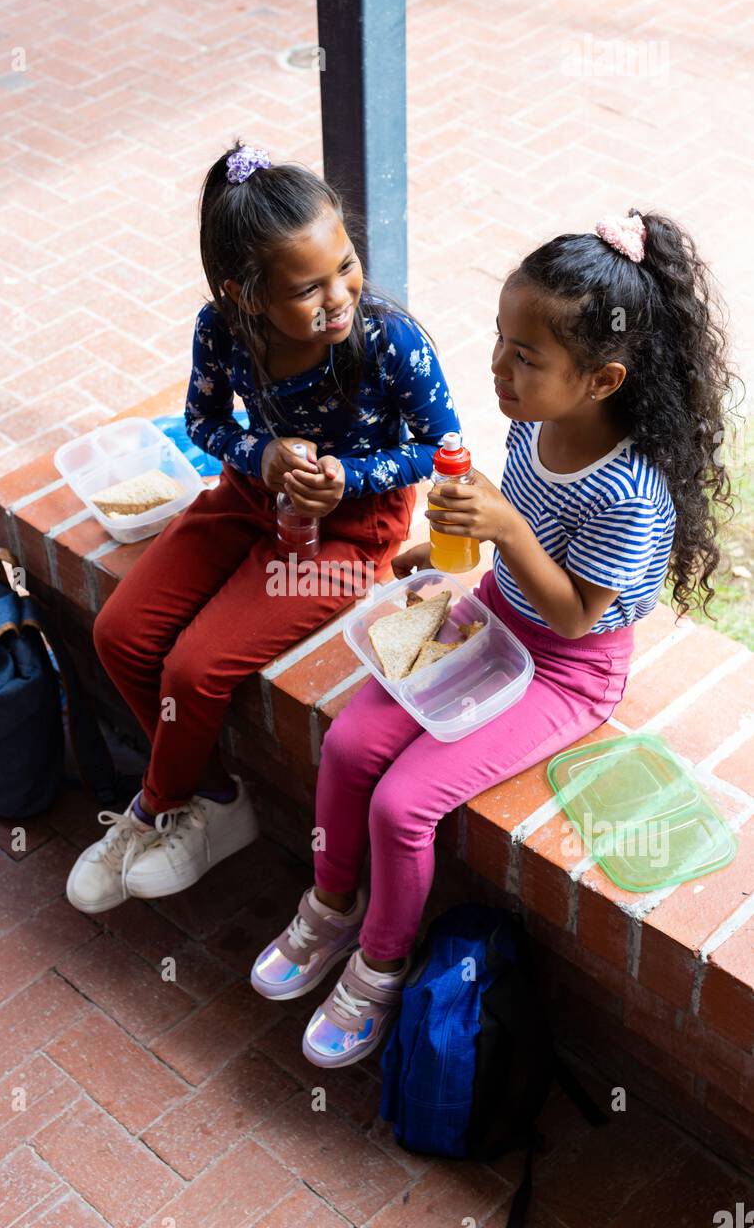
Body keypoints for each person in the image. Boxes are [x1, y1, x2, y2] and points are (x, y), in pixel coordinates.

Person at [251, 208, 740, 1069]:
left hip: (564, 671)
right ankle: (330, 906)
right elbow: (513, 531)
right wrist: (455, 539)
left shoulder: (631, 494)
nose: (497, 367)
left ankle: (381, 962)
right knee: (351, 746)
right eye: (499, 341)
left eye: (526, 356)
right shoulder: (531, 424)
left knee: (405, 804)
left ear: (601, 379)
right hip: (492, 617)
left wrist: (507, 531)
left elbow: (576, 616)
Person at [66, 139, 460, 914]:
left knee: (193, 668)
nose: (339, 296)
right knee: (120, 634)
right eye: (307, 289)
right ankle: (211, 800)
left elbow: (439, 448)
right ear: (241, 294)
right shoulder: (220, 330)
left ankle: (153, 809)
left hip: (351, 536)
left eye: (344, 265)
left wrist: (352, 475)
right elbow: (203, 422)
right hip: (250, 496)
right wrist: (263, 453)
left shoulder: (389, 342)